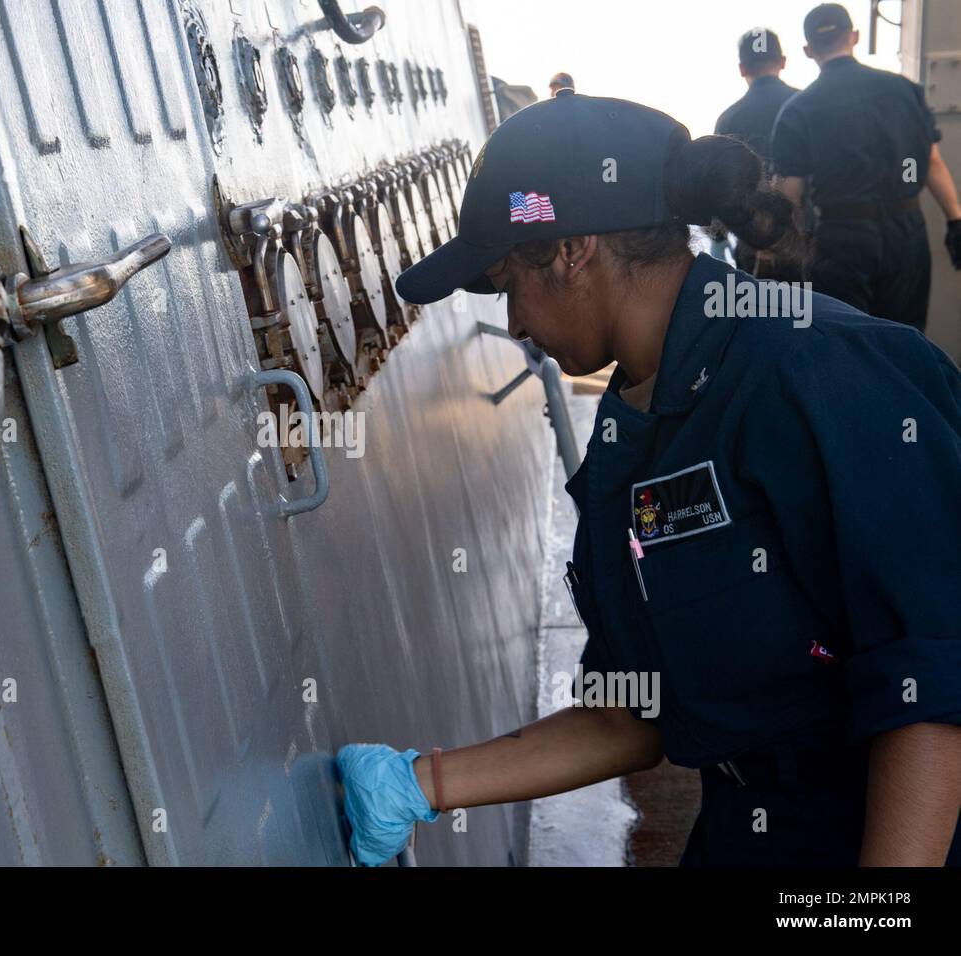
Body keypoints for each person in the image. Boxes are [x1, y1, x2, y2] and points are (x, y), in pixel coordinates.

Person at [336, 89, 961, 867]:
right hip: (751, 827)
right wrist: (422, 782)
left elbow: (930, 688)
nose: (517, 325)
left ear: (571, 249)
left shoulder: (821, 367)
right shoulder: (633, 431)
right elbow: (635, 713)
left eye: (508, 287)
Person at [772, 3, 961, 330]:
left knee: (850, 347)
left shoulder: (797, 110)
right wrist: (955, 219)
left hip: (841, 239)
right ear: (855, 36)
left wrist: (783, 250)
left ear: (807, 50)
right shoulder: (904, 90)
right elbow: (931, 161)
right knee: (906, 341)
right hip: (906, 232)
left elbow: (790, 193)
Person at [714, 27, 801, 278]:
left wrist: (719, 238)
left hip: (751, 241)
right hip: (805, 241)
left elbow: (720, 183)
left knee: (758, 314)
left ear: (742, 68)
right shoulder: (807, 106)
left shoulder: (729, 119)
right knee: (808, 313)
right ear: (783, 62)